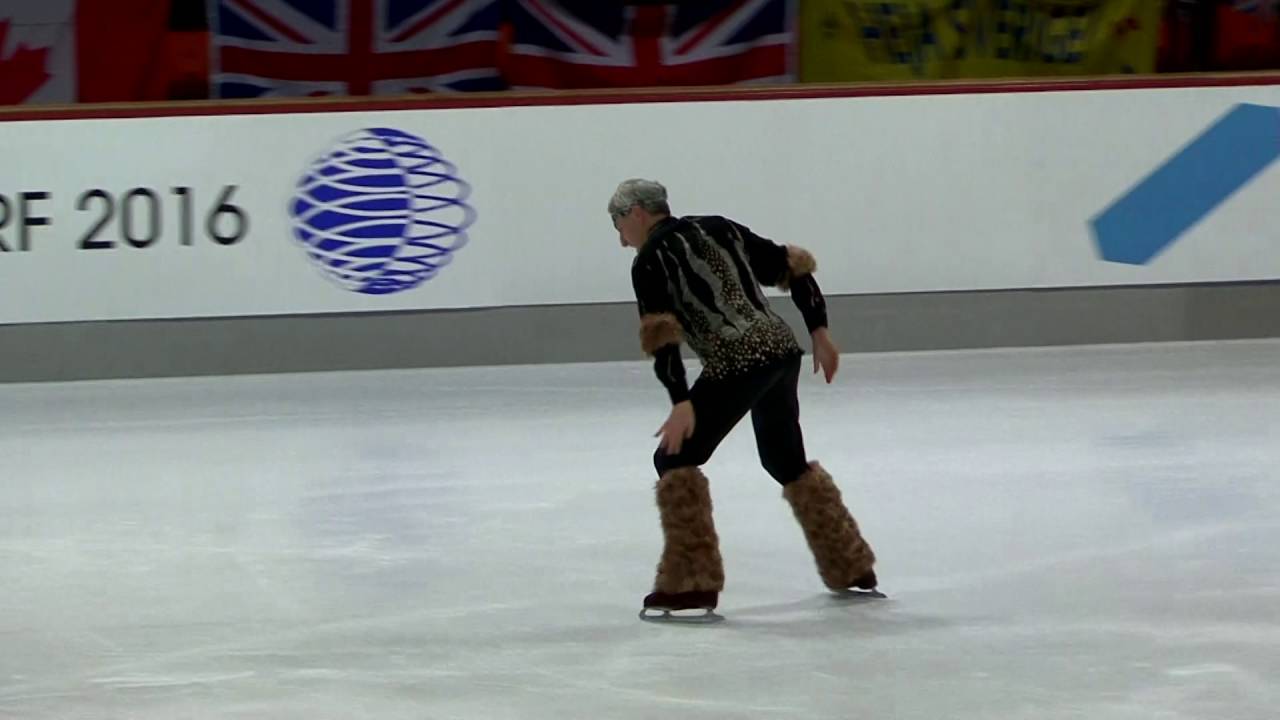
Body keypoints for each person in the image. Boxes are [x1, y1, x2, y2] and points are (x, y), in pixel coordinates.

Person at [609, 178, 878, 618]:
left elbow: (661, 336)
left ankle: (691, 581)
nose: (621, 240)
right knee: (784, 460)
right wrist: (819, 331)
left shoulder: (650, 261)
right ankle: (849, 562)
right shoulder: (718, 227)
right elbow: (794, 267)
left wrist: (681, 401)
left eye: (619, 225)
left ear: (637, 213)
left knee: (673, 458)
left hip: (739, 360)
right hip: (781, 350)